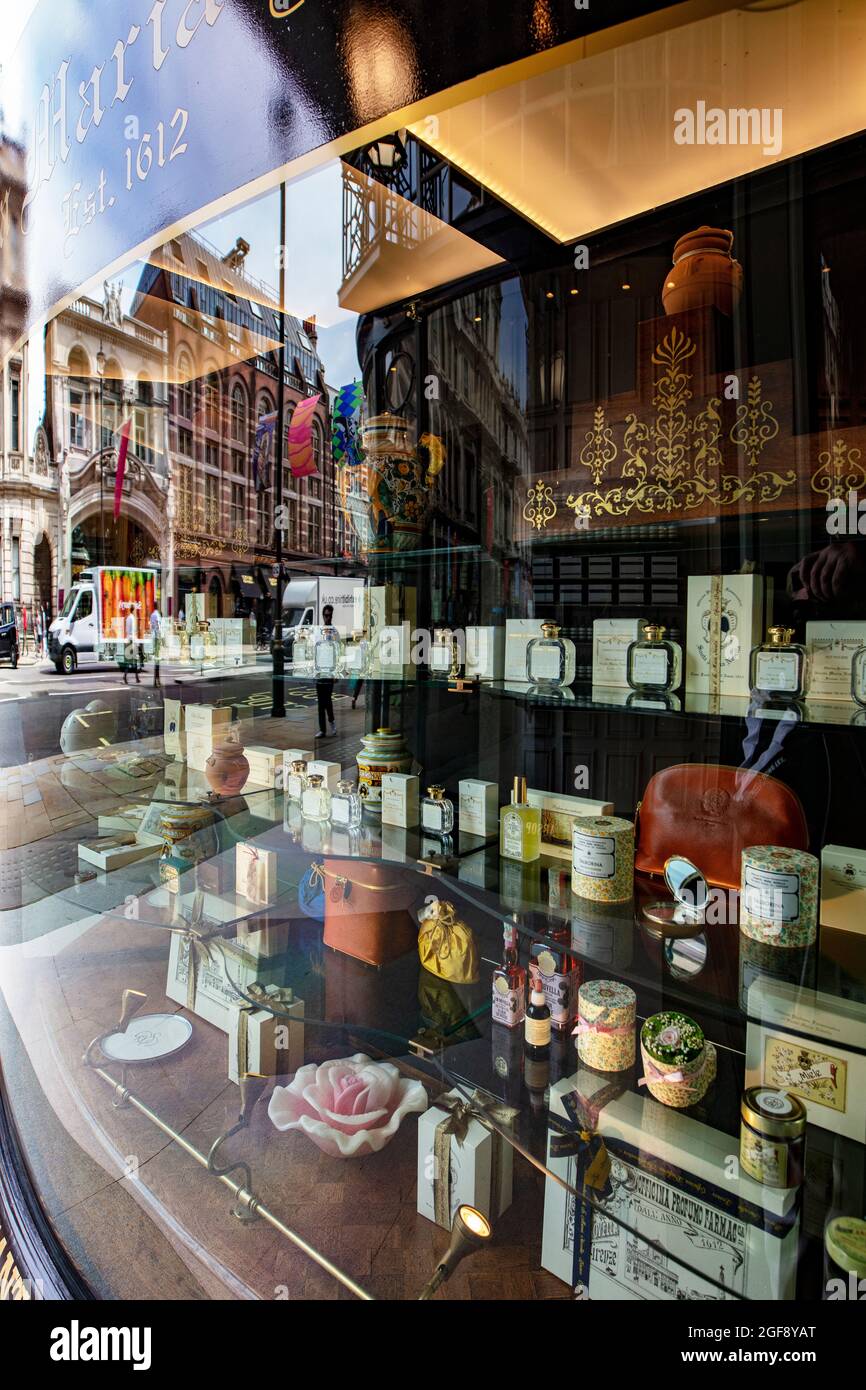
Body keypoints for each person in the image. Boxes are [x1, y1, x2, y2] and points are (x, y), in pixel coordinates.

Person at [315, 603, 337, 739]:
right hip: (320, 670)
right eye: (326, 615)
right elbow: (315, 649)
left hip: (330, 670)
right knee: (320, 702)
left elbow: (337, 651)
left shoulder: (334, 631)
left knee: (327, 700)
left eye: (330, 615)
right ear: (323, 616)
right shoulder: (319, 630)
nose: (327, 618)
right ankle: (322, 729)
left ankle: (332, 722)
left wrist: (336, 672)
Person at [123, 609, 141, 684]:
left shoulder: (127, 618)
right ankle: (135, 677)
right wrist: (135, 642)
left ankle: (130, 676)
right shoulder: (133, 618)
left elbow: (127, 630)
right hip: (132, 640)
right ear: (134, 611)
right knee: (135, 659)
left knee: (129, 659)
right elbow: (133, 631)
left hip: (128, 639)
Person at [150, 605, 163, 688]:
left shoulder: (152, 615)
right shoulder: (157, 615)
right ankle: (156, 681)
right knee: (157, 661)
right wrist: (160, 637)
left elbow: (152, 626)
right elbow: (158, 625)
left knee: (156, 660)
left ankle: (156, 680)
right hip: (157, 638)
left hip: (153, 637)